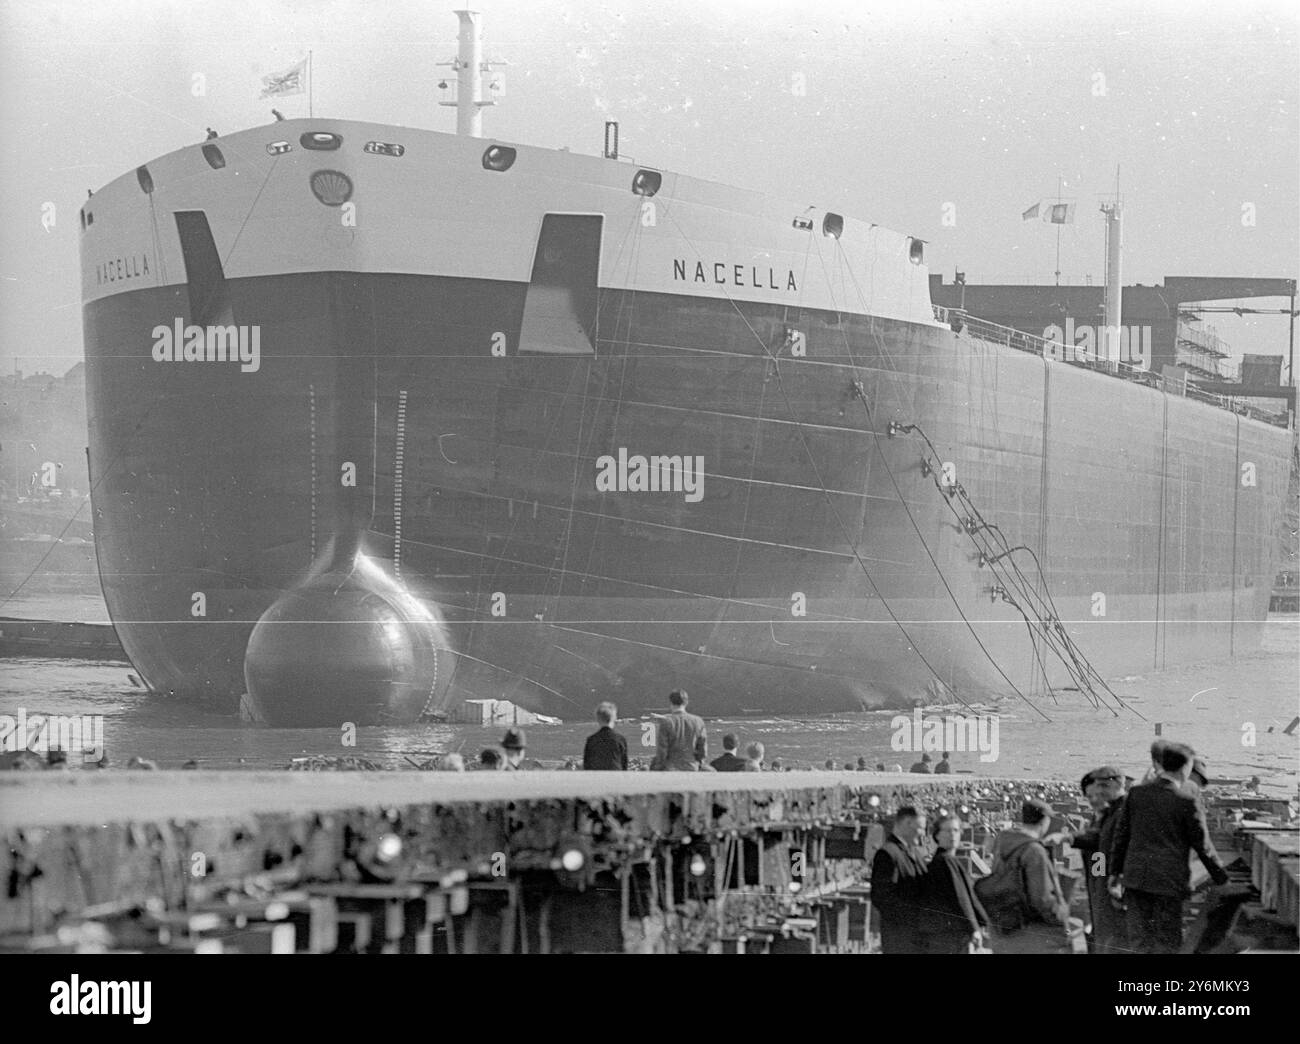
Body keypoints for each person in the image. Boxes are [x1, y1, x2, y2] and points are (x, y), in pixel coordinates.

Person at [1109, 742, 1228, 954]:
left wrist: (1114, 873)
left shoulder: (1136, 793)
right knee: (1167, 942)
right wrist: (1222, 877)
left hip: (1136, 879)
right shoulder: (1186, 800)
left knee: (1139, 941)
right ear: (1185, 768)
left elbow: (1121, 837)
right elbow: (1203, 846)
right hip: (1168, 883)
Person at [983, 799, 1073, 954]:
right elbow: (1042, 898)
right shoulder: (1034, 851)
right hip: (1030, 933)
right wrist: (1060, 917)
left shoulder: (1003, 840)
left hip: (1004, 925)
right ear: (1044, 820)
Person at [1073, 766, 1128, 954]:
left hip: (1111, 889)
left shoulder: (1117, 814)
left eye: (1096, 795)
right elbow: (1098, 855)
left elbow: (1106, 852)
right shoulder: (1100, 817)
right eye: (1089, 797)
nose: (1094, 800)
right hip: (1101, 887)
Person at [918, 815, 988, 953]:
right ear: (937, 835)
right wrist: (974, 928)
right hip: (949, 936)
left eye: (956, 830)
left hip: (947, 935)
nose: (953, 835)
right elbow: (960, 898)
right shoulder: (945, 861)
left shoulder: (948, 860)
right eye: (948, 831)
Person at [869, 806, 929, 954]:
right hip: (900, 939)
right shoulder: (888, 853)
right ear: (907, 823)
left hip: (915, 936)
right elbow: (881, 897)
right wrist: (912, 916)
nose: (922, 834)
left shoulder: (913, 852)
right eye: (920, 828)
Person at [649, 690, 707, 770]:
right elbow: (702, 750)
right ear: (686, 703)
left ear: (671, 703)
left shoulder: (667, 722)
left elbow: (662, 750)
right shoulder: (698, 721)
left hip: (671, 768)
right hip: (692, 767)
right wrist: (699, 764)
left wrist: (659, 767)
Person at [582, 701, 628, 770]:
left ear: (598, 718)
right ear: (614, 718)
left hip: (597, 777)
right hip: (616, 776)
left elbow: (587, 764)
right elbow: (624, 764)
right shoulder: (620, 739)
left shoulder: (591, 740)